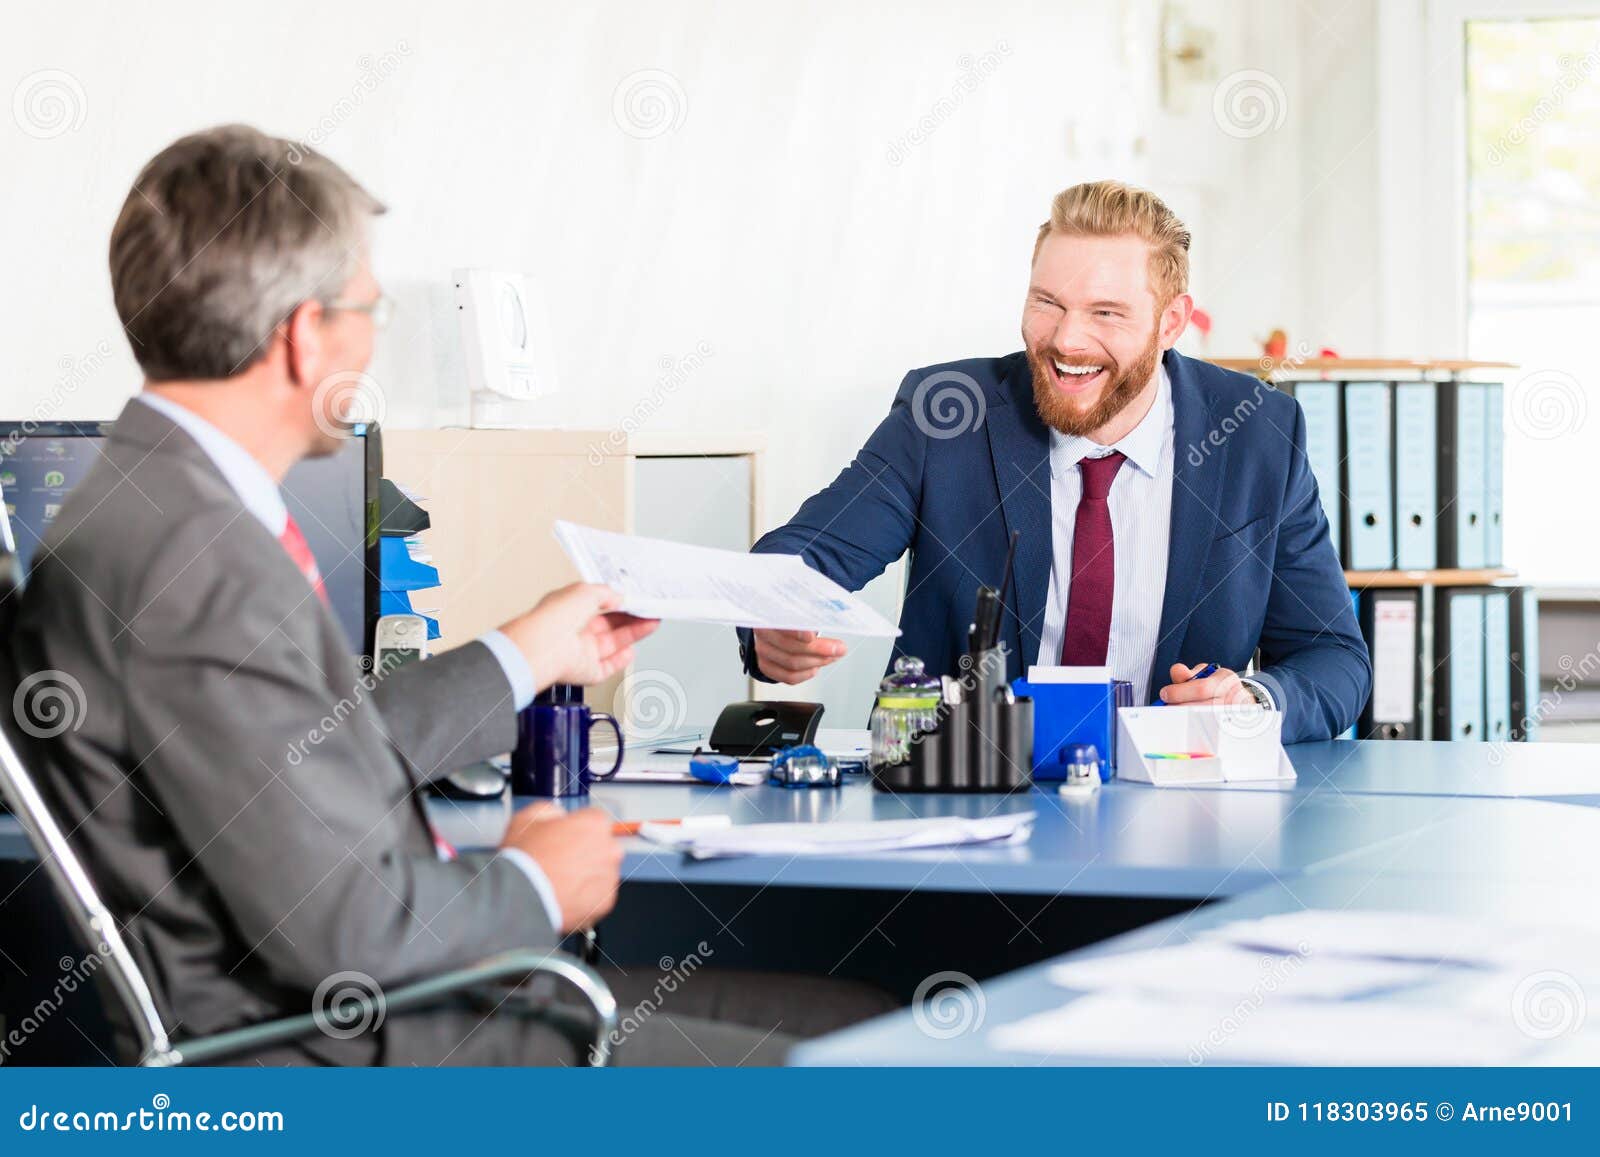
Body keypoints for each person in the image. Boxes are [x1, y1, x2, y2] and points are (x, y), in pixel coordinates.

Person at [9, 125, 886, 1066]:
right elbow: (342, 932)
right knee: (873, 1046)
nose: (370, 343)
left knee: (848, 1019)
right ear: (307, 337)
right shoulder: (197, 562)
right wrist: (535, 882)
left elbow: (303, 750)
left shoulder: (148, 505)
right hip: (353, 1056)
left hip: (356, 1021)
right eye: (367, 313)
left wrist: (525, 652)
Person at [740, 180, 1371, 743]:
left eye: (1106, 313)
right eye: (1048, 303)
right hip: (960, 799)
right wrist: (772, 622)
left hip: (1175, 808)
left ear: (1171, 322)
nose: (1067, 340)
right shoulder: (950, 413)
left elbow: (1333, 658)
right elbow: (806, 552)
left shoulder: (1257, 432)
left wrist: (1253, 703)